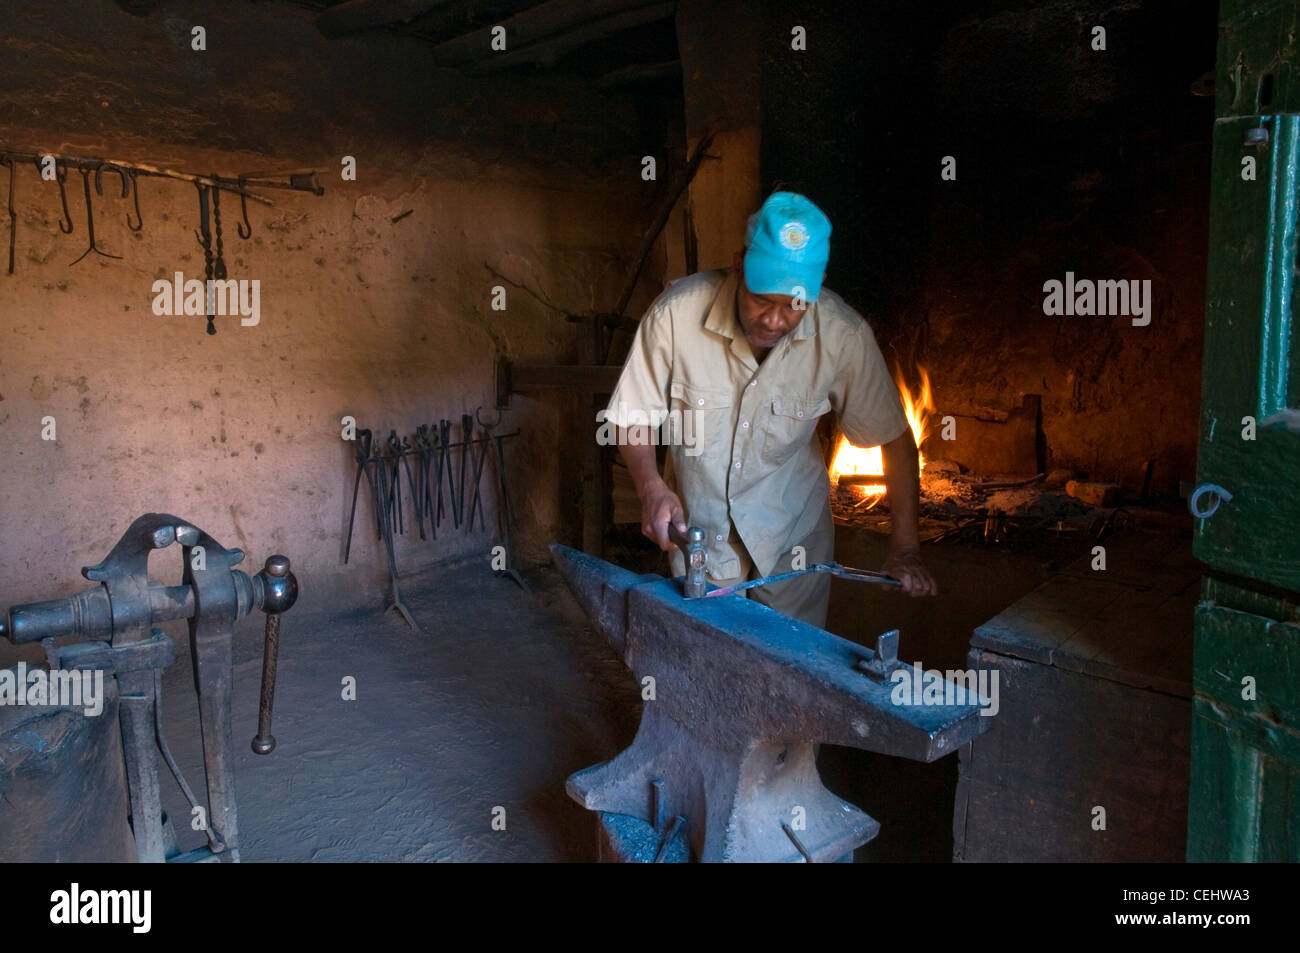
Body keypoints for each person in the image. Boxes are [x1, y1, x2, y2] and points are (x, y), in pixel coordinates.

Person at [606, 191, 937, 628]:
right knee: (708, 662)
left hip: (794, 539)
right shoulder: (676, 315)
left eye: (795, 305)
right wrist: (650, 488)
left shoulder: (842, 335)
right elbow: (634, 416)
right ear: (739, 265)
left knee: (791, 669)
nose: (775, 320)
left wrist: (904, 547)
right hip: (703, 540)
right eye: (762, 299)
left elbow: (894, 437)